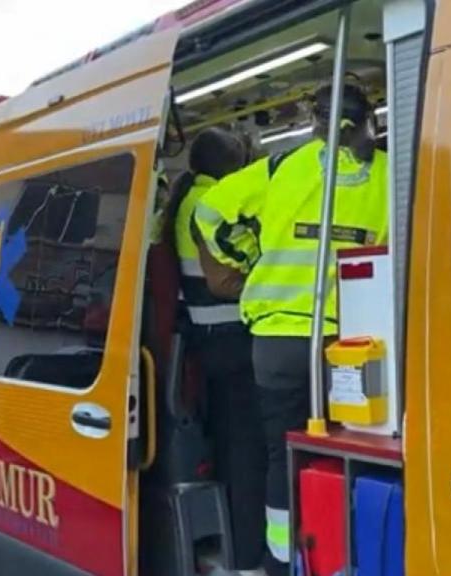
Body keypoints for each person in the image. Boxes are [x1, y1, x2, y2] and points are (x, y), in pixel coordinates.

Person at [195, 82, 388, 576]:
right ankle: (342, 557)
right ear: (369, 121)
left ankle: (282, 562)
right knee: (356, 454)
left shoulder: (282, 168)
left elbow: (208, 212)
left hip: (277, 341)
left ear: (317, 122)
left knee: (282, 455)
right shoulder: (390, 176)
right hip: (352, 346)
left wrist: (247, 258)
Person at [169, 127, 268, 575]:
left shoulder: (185, 199)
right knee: (248, 455)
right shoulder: (218, 203)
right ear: (230, 167)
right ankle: (249, 557)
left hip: (207, 345)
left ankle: (238, 547)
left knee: (231, 450)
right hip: (234, 343)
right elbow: (231, 275)